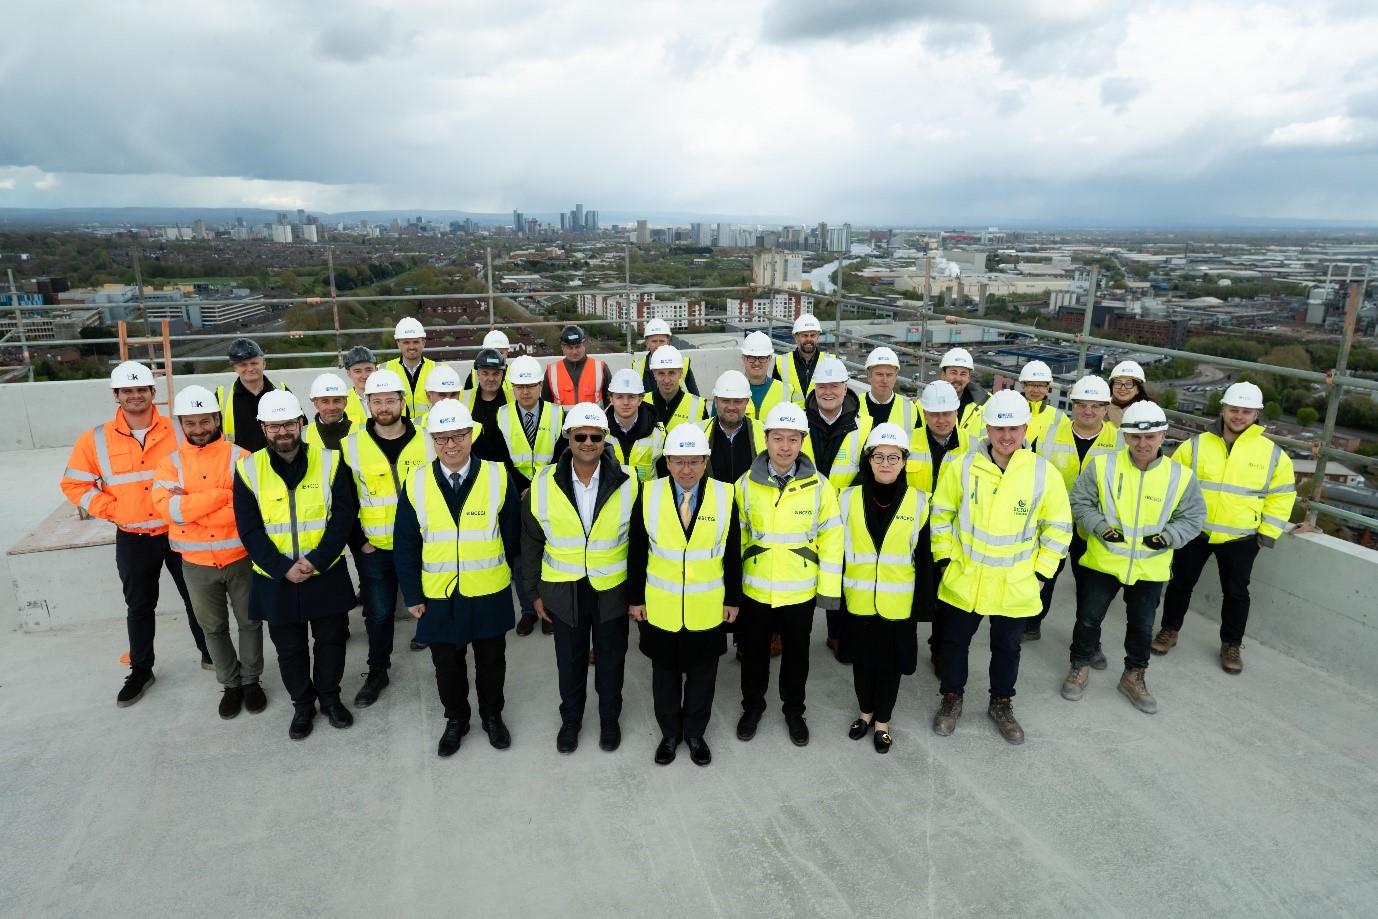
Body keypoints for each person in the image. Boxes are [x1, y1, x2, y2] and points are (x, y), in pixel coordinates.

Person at [62, 361, 210, 707]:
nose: (135, 395)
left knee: (196, 598)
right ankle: (142, 670)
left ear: (152, 394)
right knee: (140, 605)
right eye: (127, 391)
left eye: (141, 389)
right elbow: (74, 483)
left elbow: (205, 466)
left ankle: (211, 653)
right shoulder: (95, 439)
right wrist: (113, 510)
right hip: (133, 535)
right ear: (116, 396)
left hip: (179, 530)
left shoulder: (178, 430)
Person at [929, 390, 1072, 745]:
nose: (1006, 437)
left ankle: (1001, 703)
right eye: (998, 428)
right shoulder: (962, 466)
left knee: (1008, 647)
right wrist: (945, 560)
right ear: (987, 429)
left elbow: (1057, 528)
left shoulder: (1043, 473)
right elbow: (941, 515)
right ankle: (952, 698)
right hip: (966, 576)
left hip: (1015, 581)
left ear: (1026, 429)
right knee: (954, 642)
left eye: (1014, 429)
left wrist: (1042, 574)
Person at [395, 400, 522, 757]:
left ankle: (492, 716)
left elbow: (511, 534)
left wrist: (498, 568)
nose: (451, 445)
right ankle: (456, 719)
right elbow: (405, 542)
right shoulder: (417, 482)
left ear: (471, 435)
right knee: (446, 664)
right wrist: (413, 593)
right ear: (433, 441)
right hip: (438, 594)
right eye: (442, 438)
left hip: (488, 590)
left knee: (492, 661)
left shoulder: (497, 475)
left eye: (459, 436)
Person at [1063, 402, 1205, 713]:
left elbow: (1193, 517)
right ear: (1125, 437)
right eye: (1135, 437)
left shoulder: (1180, 476)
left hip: (1150, 568)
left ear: (1163, 435)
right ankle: (1079, 666)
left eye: (1151, 436)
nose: (1143, 444)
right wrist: (1100, 528)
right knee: (1088, 618)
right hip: (1104, 561)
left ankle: (1134, 675)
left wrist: (1168, 537)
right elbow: (1080, 502)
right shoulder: (1103, 466)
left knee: (1142, 627)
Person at [232, 390, 357, 741]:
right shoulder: (247, 470)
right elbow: (249, 528)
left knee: (331, 641)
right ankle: (303, 705)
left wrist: (316, 560)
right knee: (290, 649)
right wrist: (281, 567)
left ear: (301, 422)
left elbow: (344, 515)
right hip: (276, 577)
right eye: (275, 426)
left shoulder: (329, 461)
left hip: (324, 570)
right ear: (263, 428)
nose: (283, 432)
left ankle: (330, 699)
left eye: (288, 423)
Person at [521, 403, 639, 755]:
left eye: (595, 436)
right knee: (569, 662)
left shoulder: (631, 482)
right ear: (567, 439)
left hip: (611, 590)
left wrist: (637, 595)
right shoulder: (543, 483)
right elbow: (529, 541)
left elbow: (641, 543)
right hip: (563, 589)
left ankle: (609, 720)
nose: (588, 442)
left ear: (605, 439)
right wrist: (532, 593)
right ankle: (571, 720)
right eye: (580, 436)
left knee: (610, 659)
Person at [1155, 382, 1296, 674]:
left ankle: (1231, 644)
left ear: (1257, 414)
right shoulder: (1195, 445)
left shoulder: (1273, 454)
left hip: (1241, 538)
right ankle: (1169, 630)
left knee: (1236, 593)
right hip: (1195, 532)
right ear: (1223, 409)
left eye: (1246, 411)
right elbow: (1171, 482)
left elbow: (1281, 496)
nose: (1239, 416)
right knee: (1180, 584)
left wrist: (1266, 536)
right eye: (1234, 409)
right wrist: (1173, 524)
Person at [627, 424, 741, 767]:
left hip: (707, 609)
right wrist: (636, 599)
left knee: (702, 676)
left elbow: (732, 552)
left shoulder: (725, 495)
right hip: (660, 608)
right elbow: (637, 552)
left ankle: (694, 732)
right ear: (667, 462)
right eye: (679, 462)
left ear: (706, 462)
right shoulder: (648, 494)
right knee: (664, 676)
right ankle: (670, 734)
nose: (686, 470)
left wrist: (732, 599)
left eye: (694, 461)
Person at [152, 385, 265, 720]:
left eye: (205, 420)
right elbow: (169, 510)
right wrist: (220, 495)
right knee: (212, 628)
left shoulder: (241, 457)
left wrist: (192, 503)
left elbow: (248, 510)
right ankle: (230, 685)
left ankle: (251, 681)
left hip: (240, 559)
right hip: (197, 564)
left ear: (217, 418)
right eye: (190, 422)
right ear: (181, 425)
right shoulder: (169, 465)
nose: (199, 428)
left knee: (250, 622)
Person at [735, 402, 843, 747]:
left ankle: (794, 711)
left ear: (802, 441)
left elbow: (831, 540)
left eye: (792, 439)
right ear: (765, 439)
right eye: (778, 438)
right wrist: (732, 592)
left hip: (800, 592)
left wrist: (827, 591)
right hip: (755, 591)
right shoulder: (745, 485)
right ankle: (752, 707)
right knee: (753, 655)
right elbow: (735, 541)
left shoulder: (820, 487)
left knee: (797, 656)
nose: (784, 446)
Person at [341, 368, 431, 705]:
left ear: (402, 402)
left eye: (390, 400)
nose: (383, 407)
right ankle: (378, 671)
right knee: (378, 614)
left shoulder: (426, 439)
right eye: (376, 401)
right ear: (366, 403)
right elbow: (344, 502)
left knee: (436, 605)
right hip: (375, 548)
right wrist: (359, 541)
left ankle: (445, 666)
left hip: (423, 545)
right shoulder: (351, 446)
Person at [838, 423, 930, 753]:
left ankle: (882, 722)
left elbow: (924, 558)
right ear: (869, 460)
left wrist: (922, 608)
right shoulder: (847, 499)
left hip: (898, 604)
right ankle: (864, 714)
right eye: (879, 456)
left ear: (904, 461)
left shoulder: (920, 502)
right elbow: (837, 550)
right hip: (858, 599)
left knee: (890, 667)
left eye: (894, 457)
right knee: (862, 662)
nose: (886, 463)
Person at [1024, 375, 1122, 647]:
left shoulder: (1120, 442)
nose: (1087, 411)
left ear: (1106, 408)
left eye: (1095, 405)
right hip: (1053, 521)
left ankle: (1091, 640)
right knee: (1045, 575)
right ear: (1072, 405)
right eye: (1081, 404)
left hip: (1095, 526)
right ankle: (1032, 623)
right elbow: (1031, 474)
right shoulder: (1048, 435)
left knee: (1091, 587)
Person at [474, 354, 565, 637]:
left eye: (531, 386)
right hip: (515, 495)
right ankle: (528, 610)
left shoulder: (558, 413)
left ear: (541, 386)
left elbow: (563, 454)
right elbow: (498, 458)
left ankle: (549, 610)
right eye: (519, 386)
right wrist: (520, 488)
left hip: (550, 491)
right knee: (521, 555)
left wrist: (537, 485)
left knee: (551, 552)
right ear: (512, 387)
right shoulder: (501, 416)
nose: (525, 392)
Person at [800, 356, 873, 659]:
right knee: (795, 570)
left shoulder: (866, 425)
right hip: (802, 511)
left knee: (841, 574)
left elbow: (870, 471)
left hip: (845, 515)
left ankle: (837, 634)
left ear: (846, 388)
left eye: (834, 385)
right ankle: (784, 632)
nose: (827, 391)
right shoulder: (799, 420)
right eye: (822, 385)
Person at [906, 380, 971, 675]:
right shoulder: (908, 442)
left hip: (955, 535)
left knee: (947, 598)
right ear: (925, 412)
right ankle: (905, 648)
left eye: (947, 413)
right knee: (911, 592)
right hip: (915, 534)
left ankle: (939, 650)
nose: (941, 420)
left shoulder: (974, 446)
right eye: (934, 414)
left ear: (956, 411)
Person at [216, 338, 286, 452]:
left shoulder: (281, 390)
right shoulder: (221, 396)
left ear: (263, 363)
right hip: (238, 465)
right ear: (235, 368)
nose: (250, 369)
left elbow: (300, 427)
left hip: (277, 463)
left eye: (254, 363)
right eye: (243, 365)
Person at [604, 368, 666, 483]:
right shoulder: (599, 432)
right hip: (611, 499)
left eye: (631, 397)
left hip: (647, 499)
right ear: (611, 399)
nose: (625, 402)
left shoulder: (658, 433)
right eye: (619, 397)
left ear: (640, 399)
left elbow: (665, 476)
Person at [382, 317, 441, 425]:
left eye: (416, 342)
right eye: (406, 342)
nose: (411, 346)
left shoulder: (439, 370)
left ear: (423, 343)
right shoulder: (383, 370)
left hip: (431, 429)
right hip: (397, 431)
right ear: (398, 344)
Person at [542, 325, 609, 407]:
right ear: (562, 347)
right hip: (563, 419)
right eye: (570, 348)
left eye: (578, 346)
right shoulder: (551, 371)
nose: (574, 352)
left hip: (593, 419)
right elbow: (546, 405)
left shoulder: (601, 368)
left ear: (584, 345)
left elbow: (609, 401)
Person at [774, 313, 831, 406]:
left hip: (819, 418)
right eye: (804, 335)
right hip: (790, 417)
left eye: (812, 335)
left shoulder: (830, 361)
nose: (809, 339)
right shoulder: (781, 362)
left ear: (817, 337)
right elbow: (775, 394)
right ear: (796, 338)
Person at [632, 318, 699, 395]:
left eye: (662, 341)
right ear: (647, 343)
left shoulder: (682, 364)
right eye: (654, 341)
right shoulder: (638, 367)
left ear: (668, 342)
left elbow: (695, 398)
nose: (658, 346)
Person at [644, 345, 706, 429]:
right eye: (661, 373)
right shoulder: (642, 404)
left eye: (671, 373)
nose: (666, 380)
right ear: (654, 375)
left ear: (680, 373)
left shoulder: (698, 406)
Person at [860, 347, 918, 435]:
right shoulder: (854, 405)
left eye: (889, 375)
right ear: (869, 376)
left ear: (895, 378)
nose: (884, 380)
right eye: (879, 374)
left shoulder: (910, 409)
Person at [740, 330, 793, 420]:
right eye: (751, 357)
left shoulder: (784, 391)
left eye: (762, 358)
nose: (757, 363)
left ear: (770, 359)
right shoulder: (729, 389)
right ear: (743, 358)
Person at [937, 347, 988, 438]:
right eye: (953, 372)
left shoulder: (985, 404)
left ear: (969, 378)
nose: (958, 378)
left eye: (963, 374)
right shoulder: (927, 403)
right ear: (943, 375)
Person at [303, 373, 359, 451]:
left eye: (336, 401)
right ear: (316, 404)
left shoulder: (363, 432)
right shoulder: (302, 435)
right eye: (325, 401)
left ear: (345, 403)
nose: (331, 408)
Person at [461, 349, 508, 431]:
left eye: (495, 374)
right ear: (478, 374)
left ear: (502, 375)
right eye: (485, 373)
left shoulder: (512, 399)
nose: (491, 379)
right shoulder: (463, 399)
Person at [1018, 360, 1061, 446]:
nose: (1036, 390)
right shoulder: (1010, 411)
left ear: (1047, 388)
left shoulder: (1059, 418)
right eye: (1031, 385)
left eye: (1041, 385)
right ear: (1023, 385)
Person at [1106, 360, 1152, 426]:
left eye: (1129, 384)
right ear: (1112, 386)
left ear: (1138, 390)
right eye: (1118, 383)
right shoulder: (1100, 408)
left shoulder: (1147, 412)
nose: (1123, 388)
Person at [342, 345, 376, 425]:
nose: (364, 376)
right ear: (349, 374)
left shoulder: (390, 398)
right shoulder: (342, 401)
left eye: (368, 370)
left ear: (376, 370)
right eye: (358, 371)